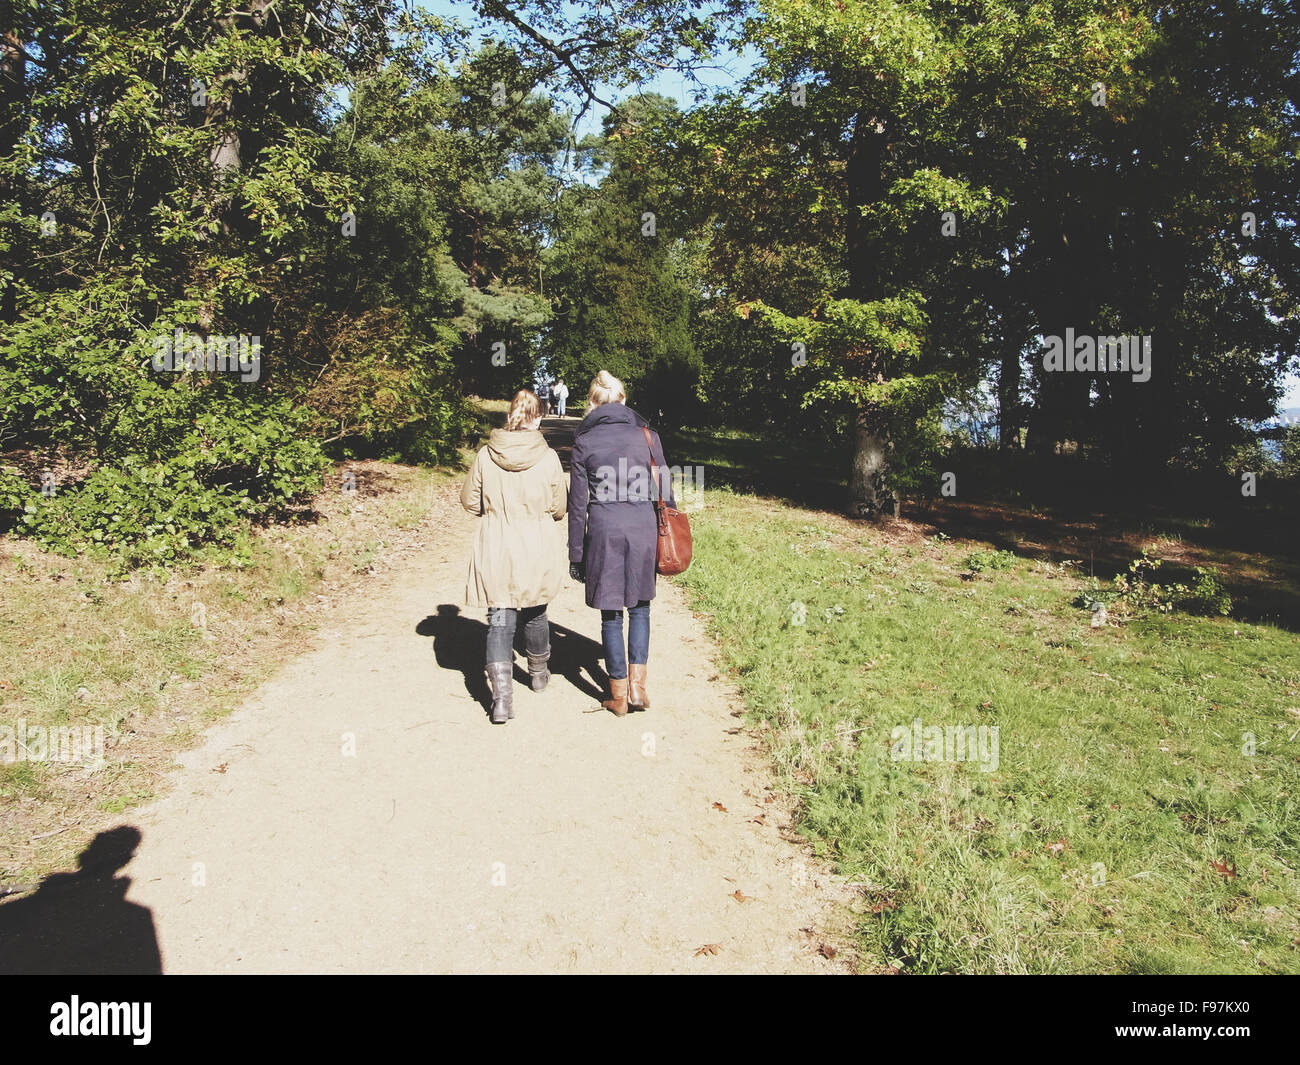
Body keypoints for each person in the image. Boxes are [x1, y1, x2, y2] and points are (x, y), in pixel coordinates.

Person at [567, 370, 676, 716]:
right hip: (643, 528)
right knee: (641, 607)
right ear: (623, 400)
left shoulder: (584, 442)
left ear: (594, 404)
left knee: (611, 613)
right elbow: (665, 489)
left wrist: (576, 553)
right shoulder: (647, 436)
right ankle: (637, 689)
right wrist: (667, 529)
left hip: (604, 531)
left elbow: (577, 504)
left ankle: (616, 697)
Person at [461, 390, 567, 724]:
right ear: (536, 418)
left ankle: (502, 699)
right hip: (535, 545)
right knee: (535, 612)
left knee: (501, 617)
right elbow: (559, 507)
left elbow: (469, 501)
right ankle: (538, 675)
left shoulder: (485, 455)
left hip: (497, 544)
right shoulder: (548, 458)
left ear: (511, 414)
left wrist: (494, 510)